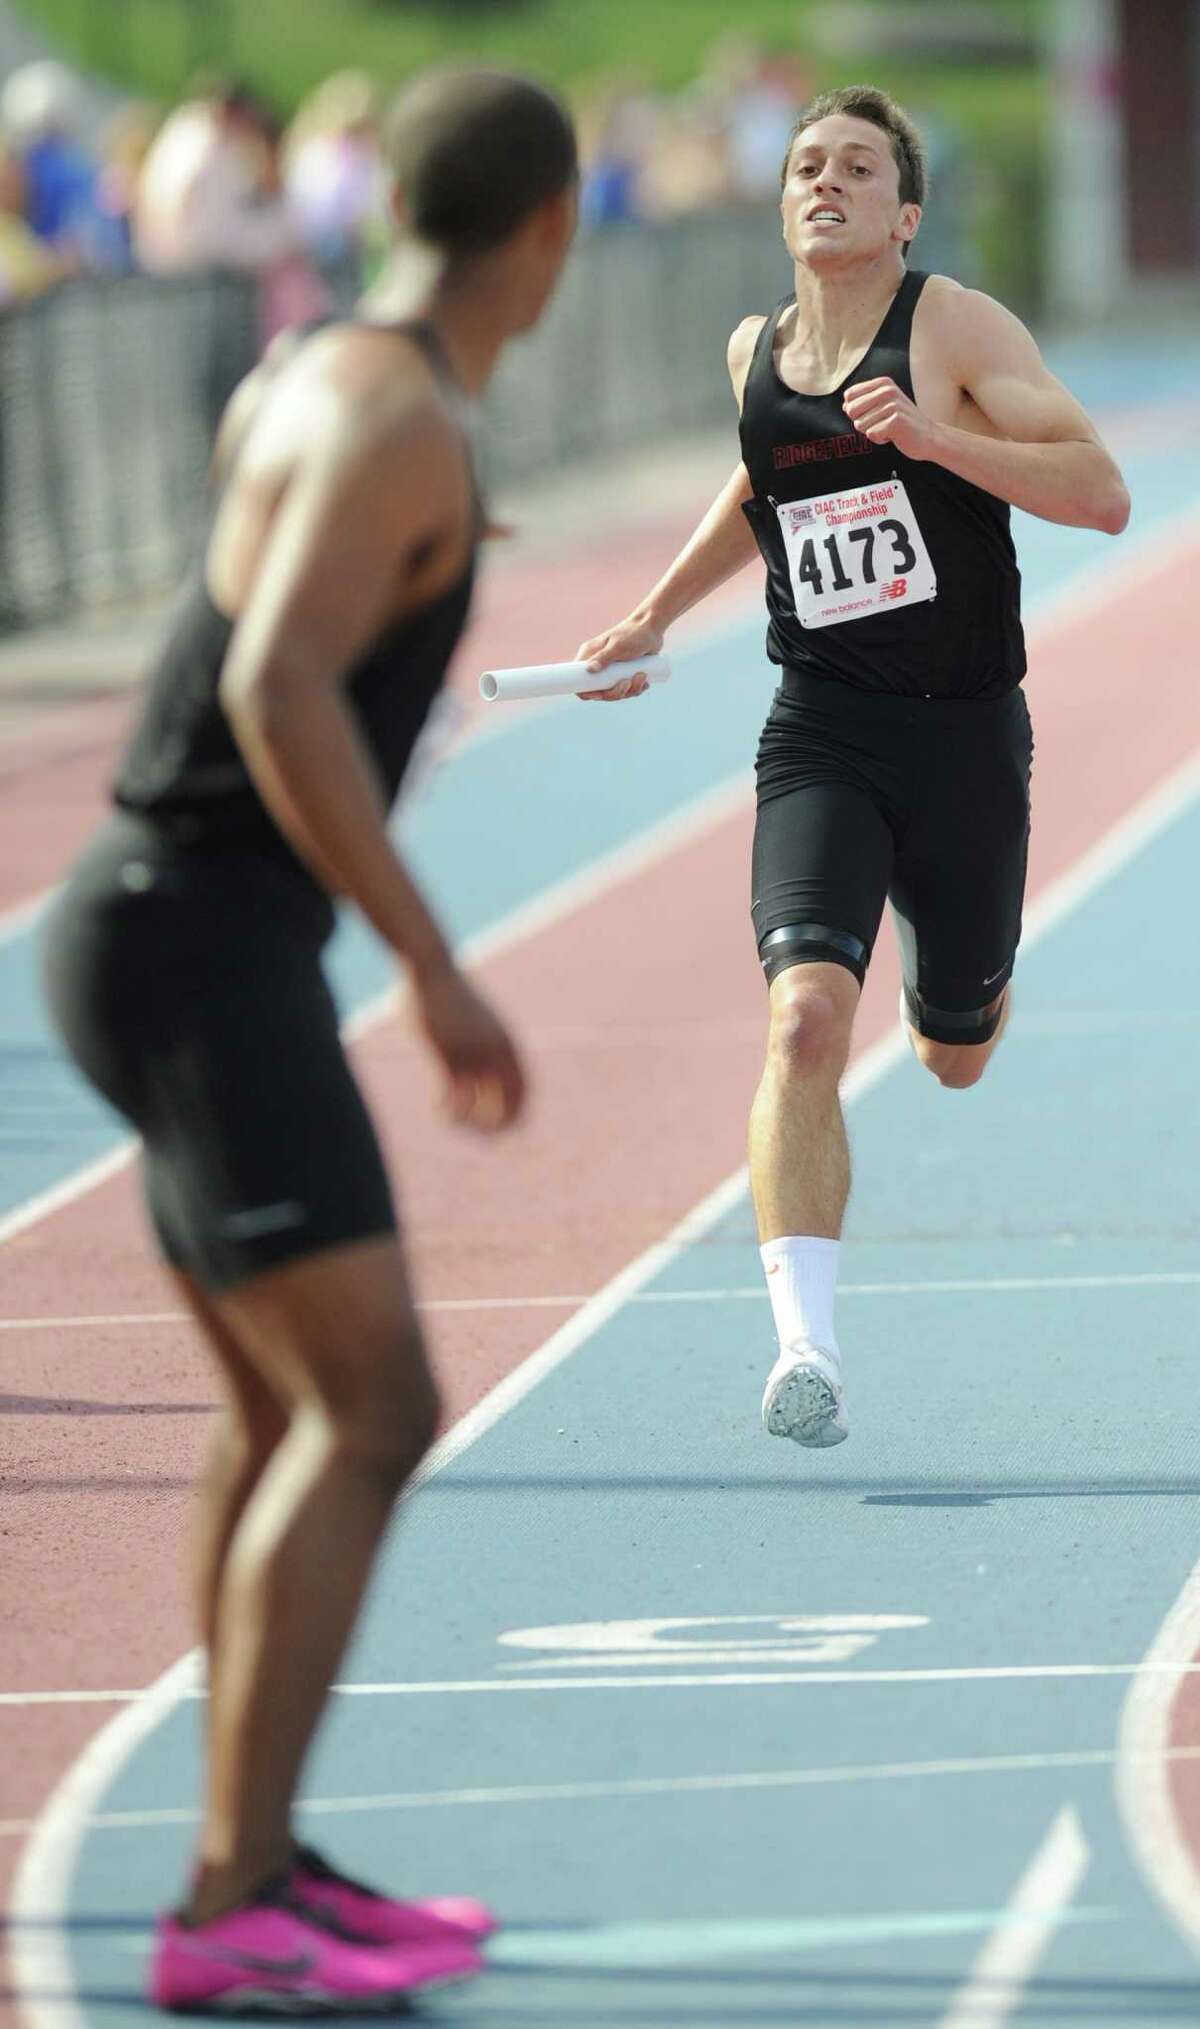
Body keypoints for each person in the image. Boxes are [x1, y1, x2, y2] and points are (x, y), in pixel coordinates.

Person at [41, 66, 577, 2012]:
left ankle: (251, 1862)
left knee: (283, 1417)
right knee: (376, 1411)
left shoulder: (319, 376)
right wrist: (433, 962)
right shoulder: (396, 412)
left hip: (158, 925)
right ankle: (225, 1905)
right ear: (550, 231)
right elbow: (271, 678)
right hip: (196, 937)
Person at [575, 84, 1129, 1451]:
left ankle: (960, 989)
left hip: (964, 735)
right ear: (783, 203)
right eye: (806, 164)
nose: (824, 180)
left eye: (857, 166)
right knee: (805, 1018)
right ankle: (804, 1348)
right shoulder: (752, 349)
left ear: (904, 212)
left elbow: (1102, 490)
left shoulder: (951, 328)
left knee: (951, 1053)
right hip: (820, 726)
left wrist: (938, 442)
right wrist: (655, 612)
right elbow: (764, 487)